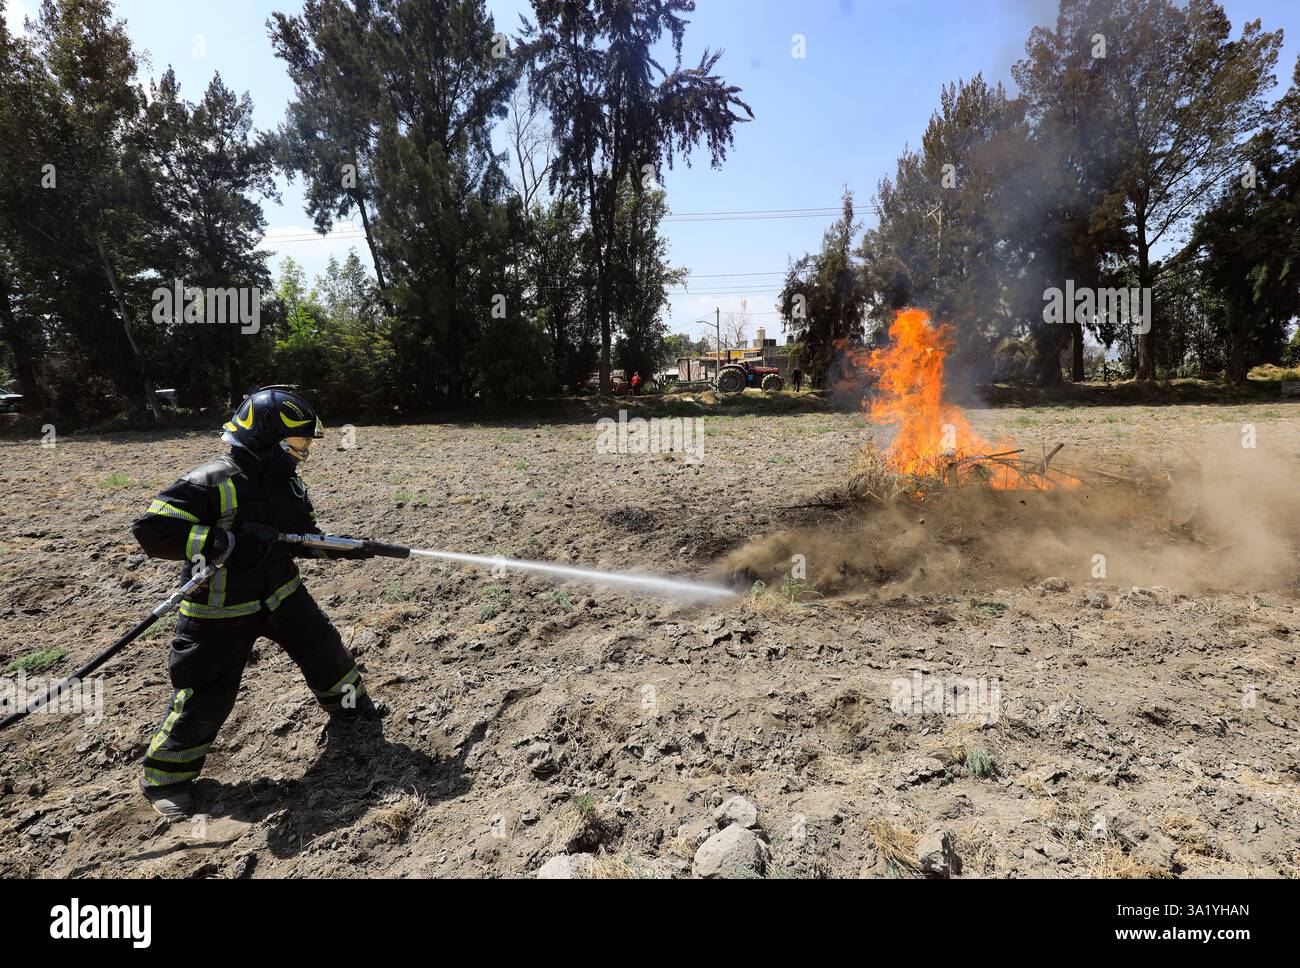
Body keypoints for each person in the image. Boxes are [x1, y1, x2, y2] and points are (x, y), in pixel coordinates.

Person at [131, 386, 379, 818]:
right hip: (218, 610)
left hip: (283, 595)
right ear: (264, 440)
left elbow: (300, 537)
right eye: (296, 444)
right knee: (207, 694)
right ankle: (165, 777)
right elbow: (153, 531)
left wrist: (341, 547)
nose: (302, 453)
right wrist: (223, 541)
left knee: (326, 652)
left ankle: (352, 711)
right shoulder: (208, 481)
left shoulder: (289, 485)